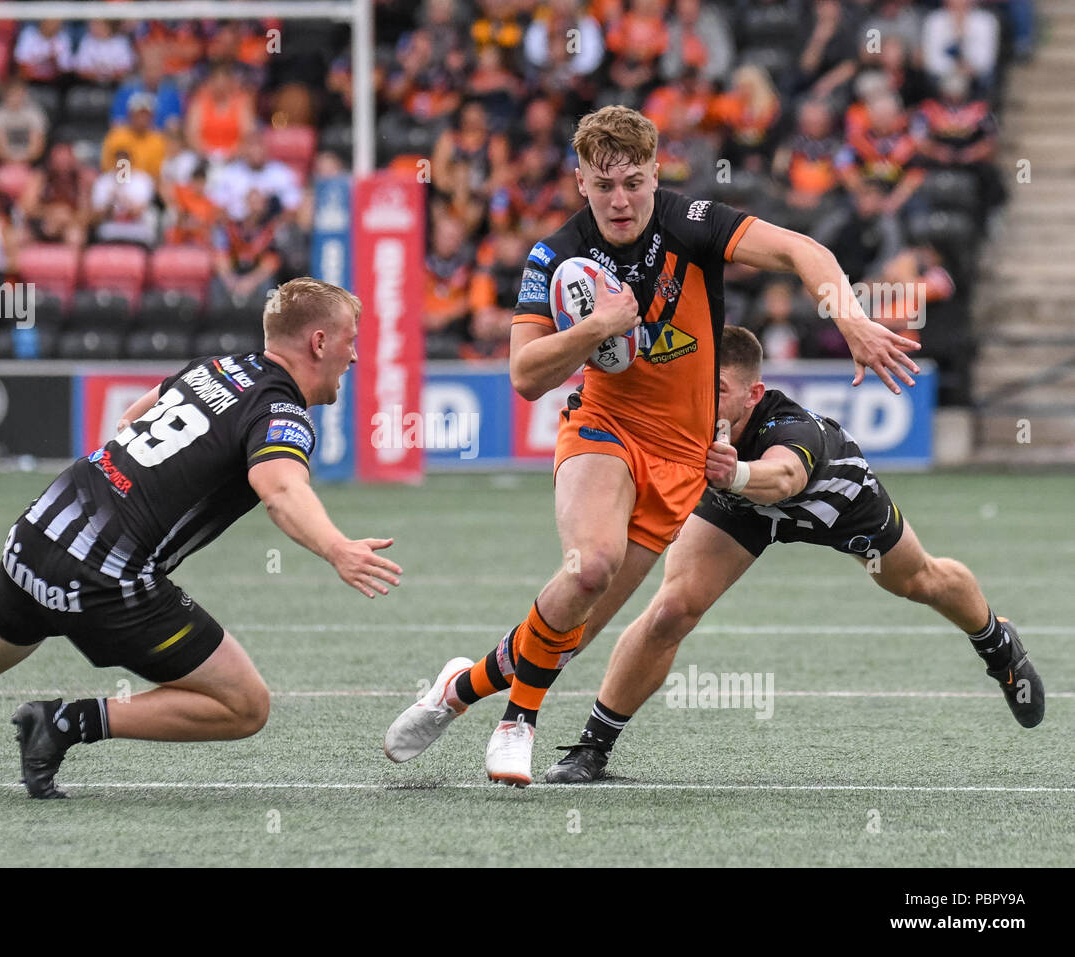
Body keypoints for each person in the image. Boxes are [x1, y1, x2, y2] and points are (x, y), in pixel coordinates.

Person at [383, 105, 919, 786]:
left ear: (654, 173)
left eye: (633, 182)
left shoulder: (691, 224)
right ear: (579, 180)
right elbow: (524, 375)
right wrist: (595, 328)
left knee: (568, 636)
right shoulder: (556, 253)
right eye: (603, 185)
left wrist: (851, 318)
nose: (620, 199)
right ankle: (517, 721)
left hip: (681, 459)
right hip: (604, 427)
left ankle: (456, 689)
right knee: (589, 567)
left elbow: (800, 251)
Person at [0, 278, 401, 798]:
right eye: (351, 339)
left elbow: (130, 419)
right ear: (318, 342)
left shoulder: (219, 367)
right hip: (102, 573)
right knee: (246, 705)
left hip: (43, 525)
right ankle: (65, 724)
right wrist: (336, 547)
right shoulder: (281, 409)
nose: (354, 355)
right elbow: (280, 490)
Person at [547, 326, 1044, 782]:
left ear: (753, 394)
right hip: (740, 505)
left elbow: (785, 477)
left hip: (831, 499)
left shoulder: (790, 427)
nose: (701, 398)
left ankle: (995, 640)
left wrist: (735, 475)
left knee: (919, 580)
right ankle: (591, 749)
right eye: (698, 383)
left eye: (717, 389)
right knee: (671, 612)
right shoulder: (685, 409)